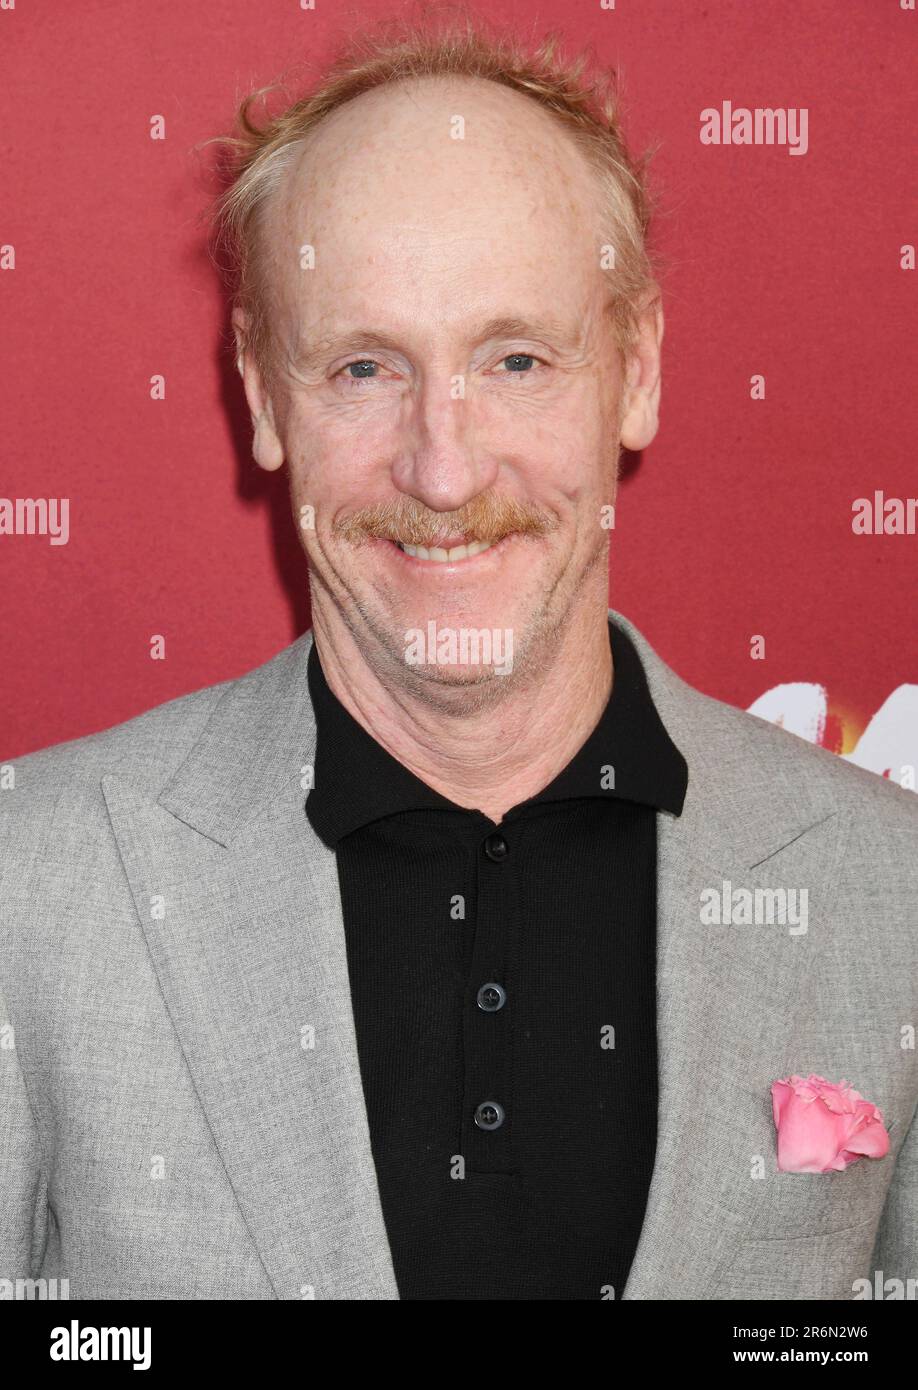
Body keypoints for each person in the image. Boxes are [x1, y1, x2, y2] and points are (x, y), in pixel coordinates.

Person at [2, 20, 916, 1301]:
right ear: (263, 394)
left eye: (517, 360)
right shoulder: (30, 886)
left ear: (638, 372)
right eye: (365, 366)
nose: (443, 468)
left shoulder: (890, 888)